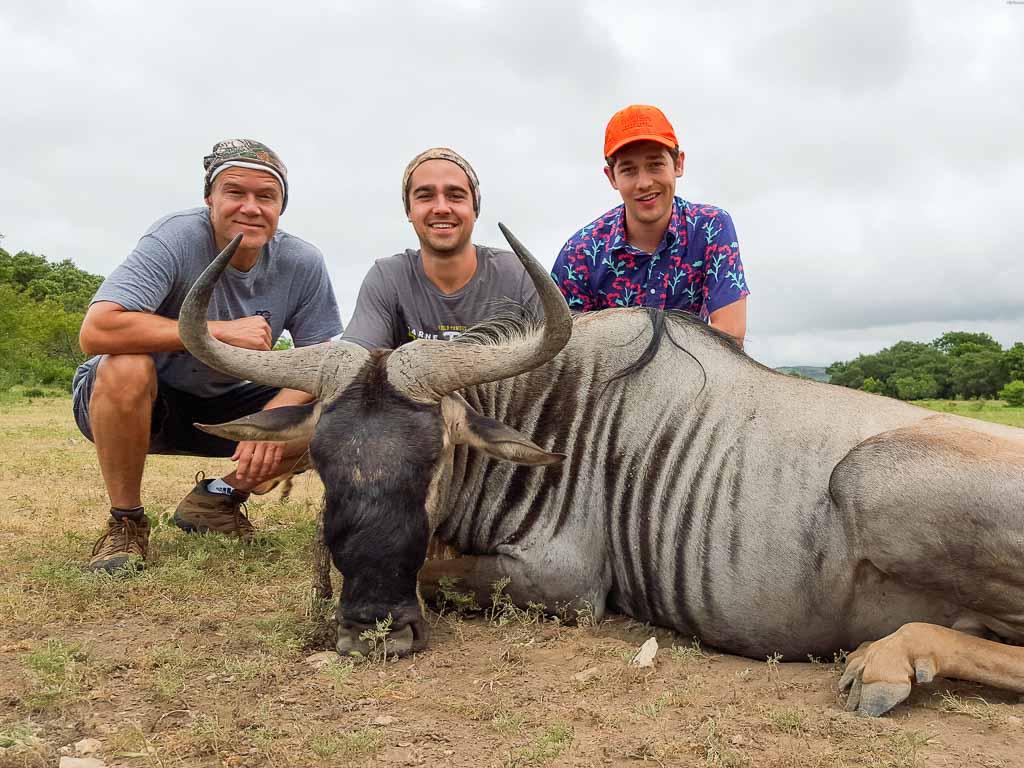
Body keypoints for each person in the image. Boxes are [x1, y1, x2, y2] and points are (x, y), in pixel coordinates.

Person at [74, 139, 343, 573]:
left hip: (230, 404)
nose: (250, 207)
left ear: (281, 207)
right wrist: (215, 333)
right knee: (125, 364)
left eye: (266, 196)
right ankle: (125, 524)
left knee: (342, 403)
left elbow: (320, 360)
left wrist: (271, 421)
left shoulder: (303, 261)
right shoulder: (175, 236)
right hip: (147, 399)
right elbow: (97, 329)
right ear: (209, 199)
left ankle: (217, 499)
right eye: (235, 192)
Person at [551, 105, 748, 345]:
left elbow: (731, 335)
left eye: (655, 165)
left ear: (678, 164)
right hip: (611, 381)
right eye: (628, 170)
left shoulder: (712, 227)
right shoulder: (579, 252)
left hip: (698, 377)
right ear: (611, 177)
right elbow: (568, 349)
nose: (644, 183)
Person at [343, 147, 540, 350]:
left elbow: (560, 355)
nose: (441, 208)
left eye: (455, 196)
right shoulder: (388, 277)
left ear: (475, 208)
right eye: (425, 196)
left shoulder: (518, 273)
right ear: (409, 210)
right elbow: (355, 359)